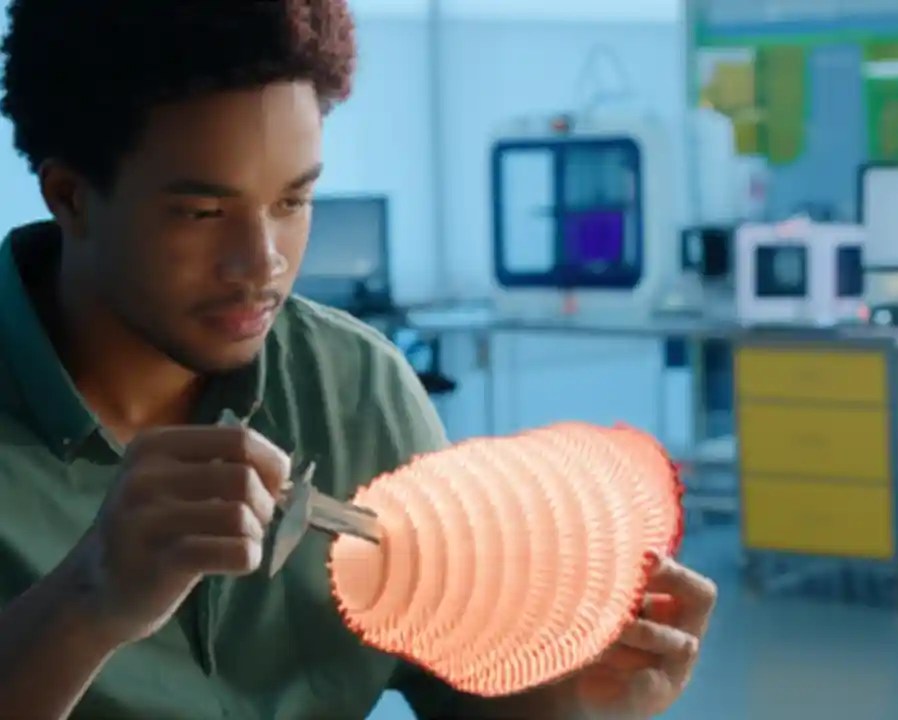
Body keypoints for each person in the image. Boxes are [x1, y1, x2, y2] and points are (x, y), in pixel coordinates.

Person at [0, 1, 717, 718]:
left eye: (293, 200)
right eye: (203, 213)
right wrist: (86, 602)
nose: (263, 264)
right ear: (71, 197)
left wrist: (574, 701)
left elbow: (467, 703)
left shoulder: (357, 387)